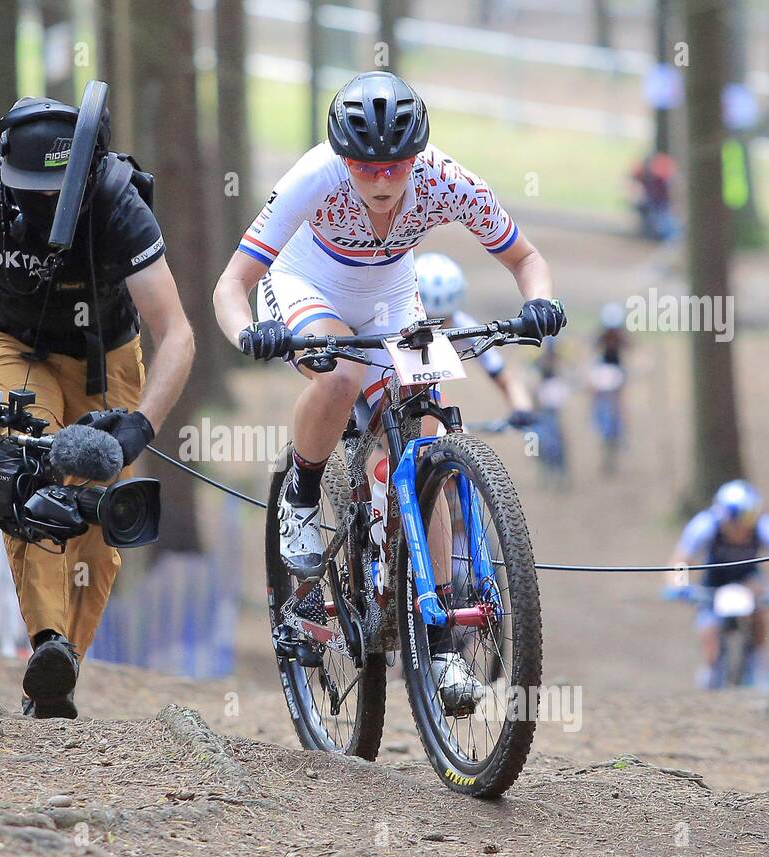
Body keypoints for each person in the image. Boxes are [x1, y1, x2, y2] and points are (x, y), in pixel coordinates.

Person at [212, 71, 565, 712]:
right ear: (343, 159)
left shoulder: (446, 179)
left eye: (395, 166)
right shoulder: (312, 176)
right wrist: (249, 334)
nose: (381, 180)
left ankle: (439, 646)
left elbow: (526, 260)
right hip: (306, 282)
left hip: (392, 297)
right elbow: (230, 286)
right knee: (343, 377)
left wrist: (538, 304)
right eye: (365, 166)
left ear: (418, 158)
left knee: (426, 440)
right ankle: (302, 492)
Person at [0, 96, 195, 719]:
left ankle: (60, 673)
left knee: (99, 522)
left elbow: (176, 331)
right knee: (26, 474)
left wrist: (139, 427)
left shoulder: (118, 202)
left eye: (54, 192)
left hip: (106, 356)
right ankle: (46, 641)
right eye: (27, 189)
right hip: (6, 342)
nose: (39, 201)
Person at [666, 480, 769, 687]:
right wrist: (679, 587)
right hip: (713, 581)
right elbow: (679, 563)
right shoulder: (704, 526)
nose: (742, 528)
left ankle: (759, 661)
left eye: (749, 519)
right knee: (708, 628)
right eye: (737, 521)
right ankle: (711, 669)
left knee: (759, 611)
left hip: (748, 579)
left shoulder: (766, 527)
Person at [414, 252, 535, 422]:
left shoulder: (463, 325)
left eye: (445, 318)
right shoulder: (397, 322)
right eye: (428, 318)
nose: (438, 328)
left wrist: (522, 409)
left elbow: (503, 375)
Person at [588, 301, 628, 472]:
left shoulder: (620, 338)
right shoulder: (601, 338)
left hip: (616, 376)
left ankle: (616, 431)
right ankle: (601, 424)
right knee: (603, 405)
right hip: (604, 374)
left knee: (617, 407)